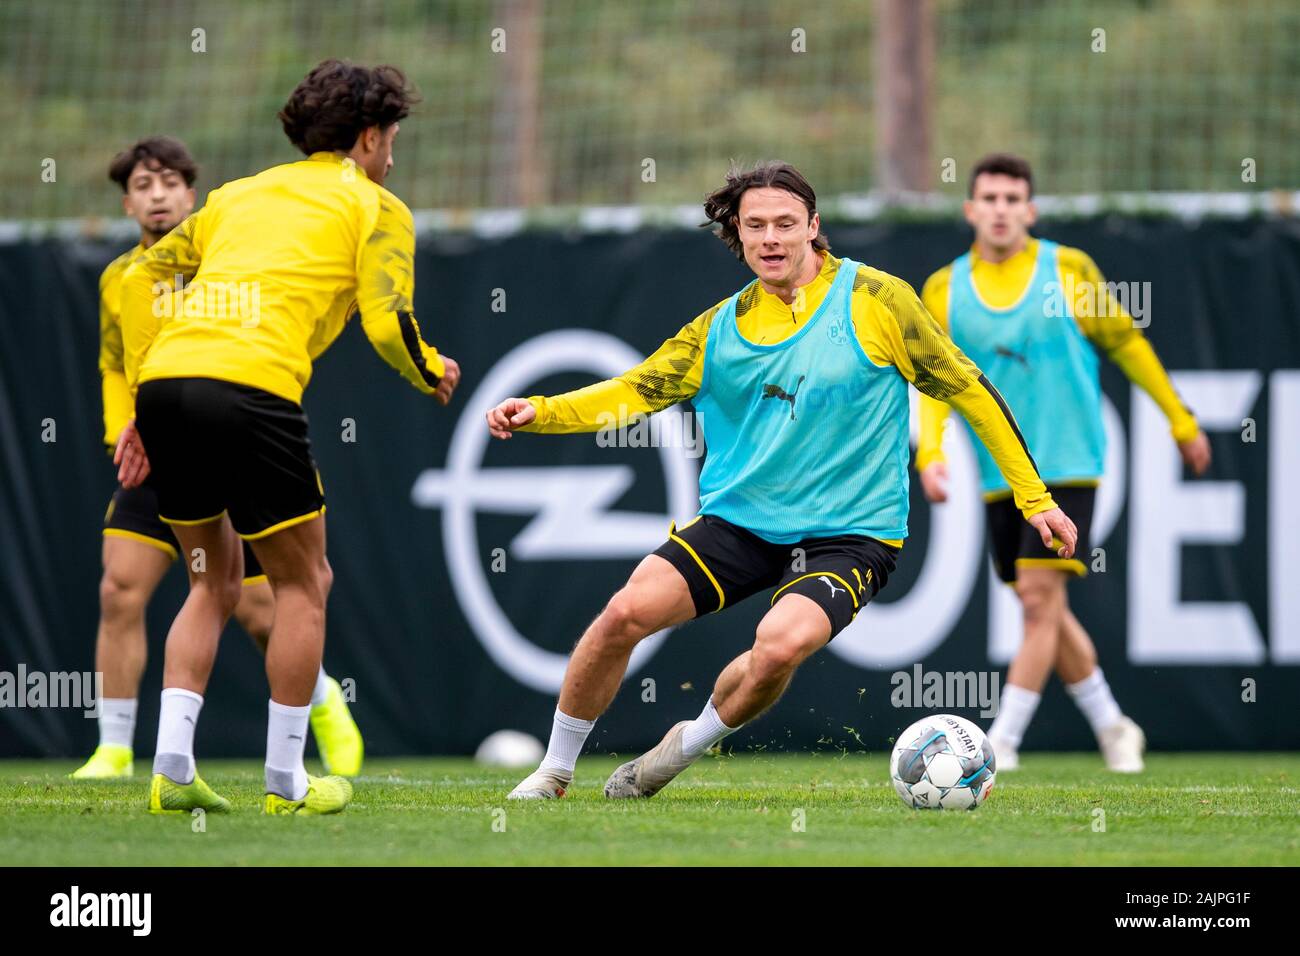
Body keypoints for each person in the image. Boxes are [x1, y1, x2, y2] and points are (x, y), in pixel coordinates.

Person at [487, 160, 1075, 800]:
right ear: (737, 236)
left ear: (813, 227)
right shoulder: (717, 330)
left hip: (852, 534)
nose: (770, 238)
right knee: (624, 613)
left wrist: (1034, 497)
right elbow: (635, 391)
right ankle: (554, 771)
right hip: (740, 525)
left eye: (785, 224)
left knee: (778, 645)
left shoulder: (877, 301)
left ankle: (680, 749)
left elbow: (969, 388)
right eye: (755, 226)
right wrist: (540, 412)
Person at [116, 60, 459, 814]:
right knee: (307, 584)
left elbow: (141, 278)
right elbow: (385, 320)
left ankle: (171, 771)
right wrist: (430, 368)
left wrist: (144, 394)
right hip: (251, 390)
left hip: (167, 386)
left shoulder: (236, 194)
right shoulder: (376, 206)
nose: (393, 154)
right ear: (370, 137)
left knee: (212, 580)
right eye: (392, 138)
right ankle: (287, 781)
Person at [75, 136, 362, 782]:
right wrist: (125, 434)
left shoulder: (229, 260)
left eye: (169, 183)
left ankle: (322, 701)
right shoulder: (121, 278)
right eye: (143, 187)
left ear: (192, 195)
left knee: (262, 609)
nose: (157, 196)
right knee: (119, 588)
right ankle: (116, 748)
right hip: (153, 448)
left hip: (236, 438)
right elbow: (114, 367)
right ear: (126, 204)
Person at [916, 153, 1211, 771]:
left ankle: (1003, 743)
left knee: (1034, 600)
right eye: (989, 199)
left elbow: (1126, 344)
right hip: (1002, 474)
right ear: (971, 209)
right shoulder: (944, 288)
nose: (1001, 210)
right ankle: (1113, 725)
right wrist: (933, 452)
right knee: (1045, 606)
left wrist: (1180, 419)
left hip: (1071, 464)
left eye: (1012, 198)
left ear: (1031, 209)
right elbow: (937, 382)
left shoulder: (1068, 270)